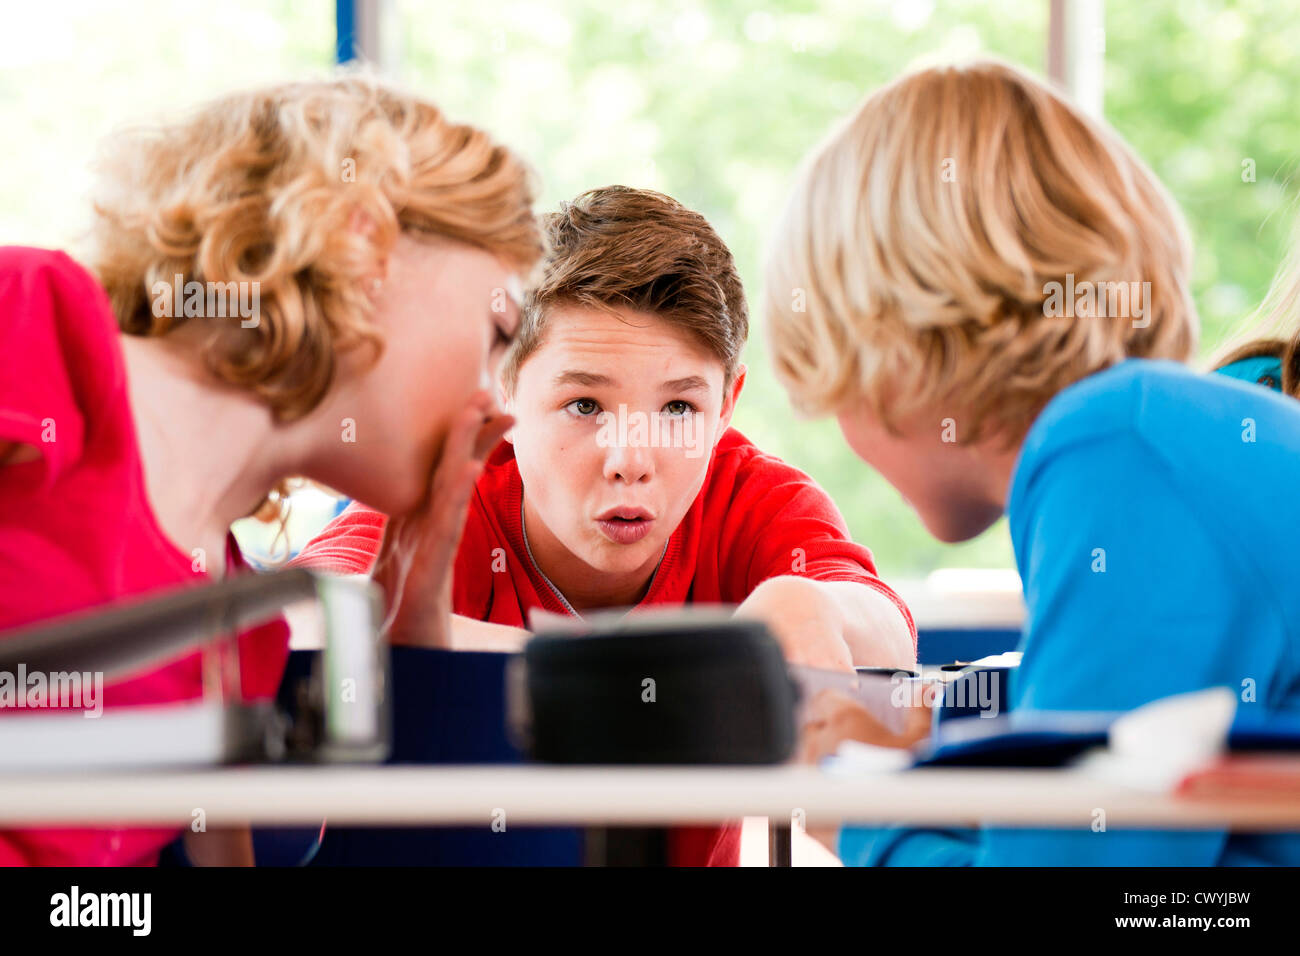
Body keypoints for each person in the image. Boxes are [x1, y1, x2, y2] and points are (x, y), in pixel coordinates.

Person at [763, 60, 1300, 865]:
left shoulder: (1119, 445)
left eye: (831, 387)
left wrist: (854, 807)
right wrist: (948, 742)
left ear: (896, 347)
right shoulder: (1171, 437)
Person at [0, 75, 542, 865]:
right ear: (364, 245)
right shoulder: (34, 321)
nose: (496, 401)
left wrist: (413, 640)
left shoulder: (240, 637)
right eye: (497, 332)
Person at [292, 185, 917, 866]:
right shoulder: (443, 494)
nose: (630, 460)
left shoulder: (750, 498)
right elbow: (305, 622)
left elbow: (888, 633)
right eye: (585, 403)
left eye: (678, 409)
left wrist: (808, 607)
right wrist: (617, 683)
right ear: (506, 385)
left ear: (727, 405)